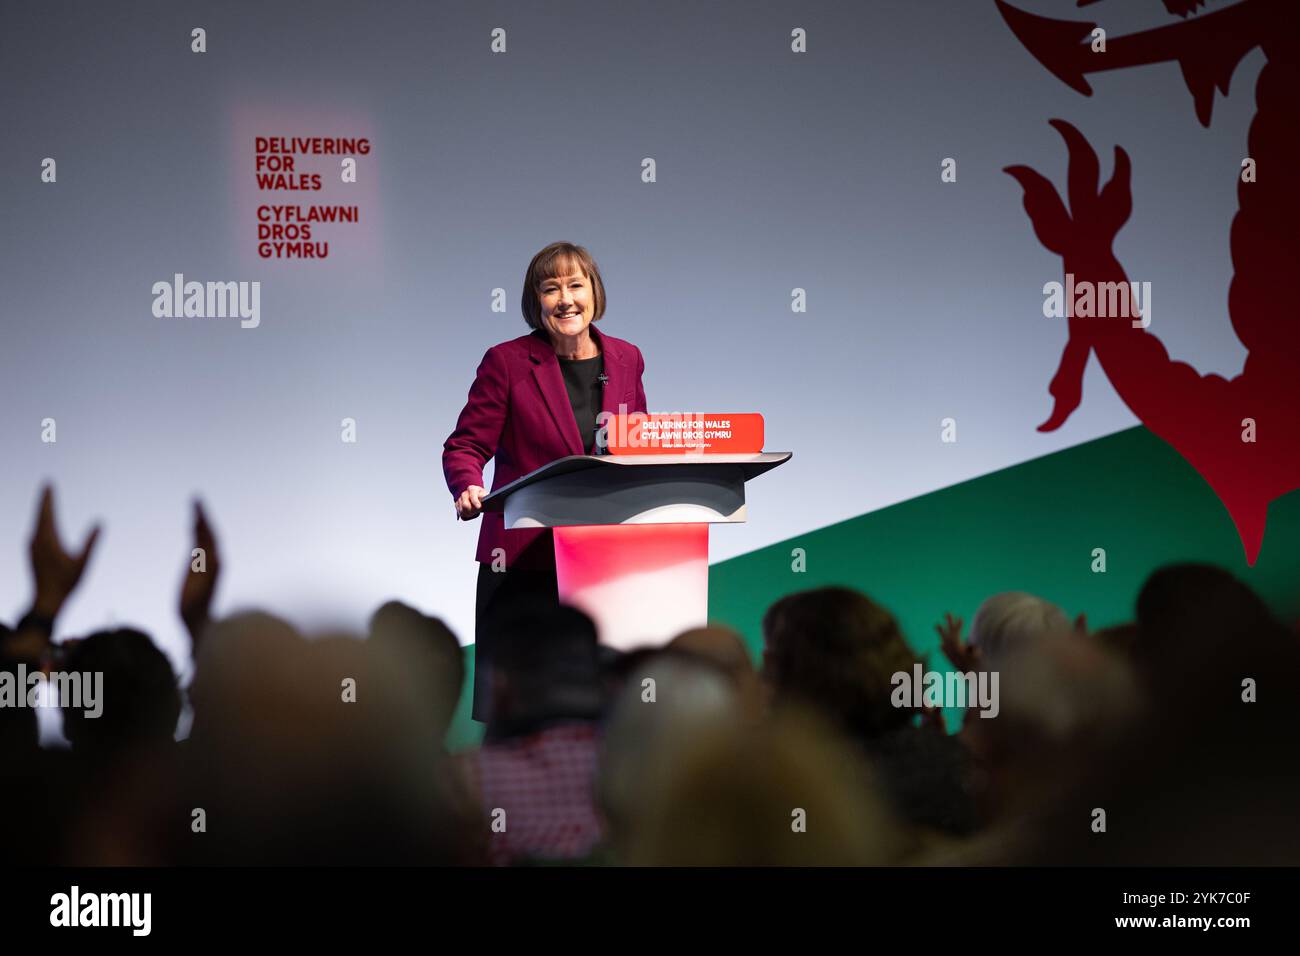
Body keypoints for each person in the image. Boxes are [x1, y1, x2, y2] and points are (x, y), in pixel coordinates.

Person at [443, 241, 648, 721]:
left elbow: (639, 440)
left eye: (576, 285)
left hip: (603, 558)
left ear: (593, 292)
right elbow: (466, 445)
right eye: (551, 289)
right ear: (535, 302)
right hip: (521, 560)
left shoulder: (627, 358)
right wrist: (466, 484)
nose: (566, 299)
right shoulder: (507, 362)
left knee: (600, 703)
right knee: (519, 706)